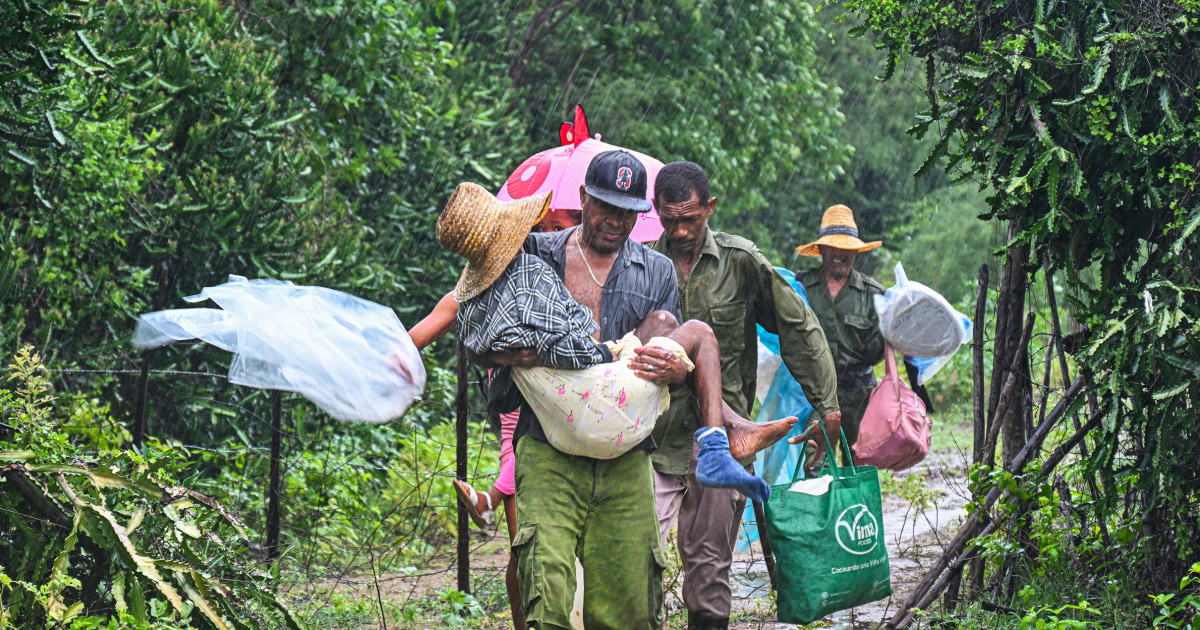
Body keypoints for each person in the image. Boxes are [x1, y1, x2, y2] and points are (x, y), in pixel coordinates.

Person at [469, 151, 784, 630]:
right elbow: (479, 333)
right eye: (605, 207)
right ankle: (726, 433)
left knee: (628, 601)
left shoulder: (655, 271)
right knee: (548, 588)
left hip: (625, 452)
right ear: (583, 199)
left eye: (627, 212)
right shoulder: (535, 254)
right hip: (549, 447)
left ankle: (720, 438)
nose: (615, 221)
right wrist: (509, 355)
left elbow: (662, 370)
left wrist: (674, 372)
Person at [648, 161, 843, 630]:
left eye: (690, 219)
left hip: (723, 442)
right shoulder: (642, 265)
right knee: (637, 554)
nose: (680, 230)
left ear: (710, 209)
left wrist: (828, 408)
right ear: (655, 212)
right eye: (670, 219)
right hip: (651, 439)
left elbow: (798, 327)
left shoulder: (741, 262)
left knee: (709, 564)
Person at [793, 204, 886, 456]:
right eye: (834, 246)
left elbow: (881, 349)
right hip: (814, 395)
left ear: (855, 252)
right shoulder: (801, 288)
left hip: (859, 394)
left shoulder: (873, 294)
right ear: (822, 249)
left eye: (847, 248)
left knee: (859, 464)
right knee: (814, 463)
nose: (840, 253)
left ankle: (855, 498)